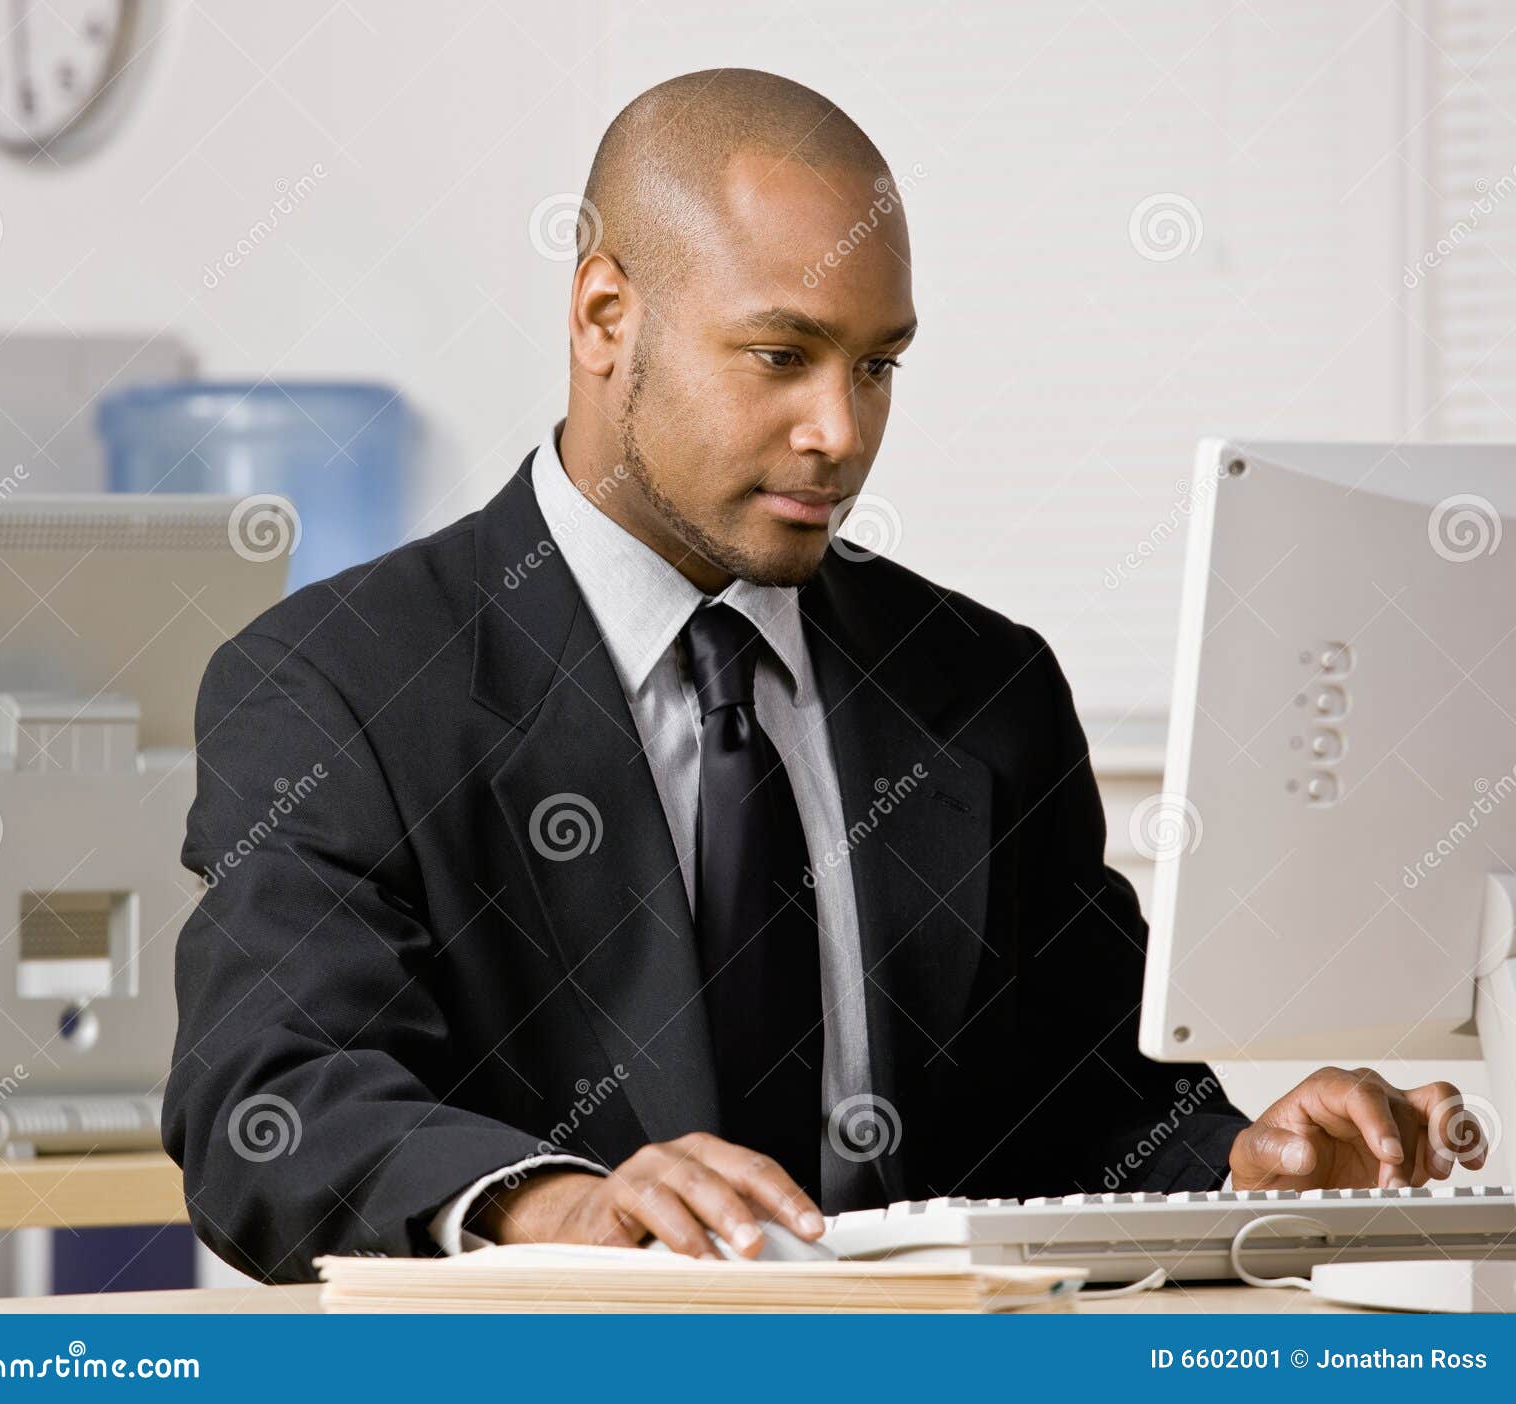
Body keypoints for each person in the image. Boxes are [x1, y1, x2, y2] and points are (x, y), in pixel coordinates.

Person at [161, 68, 1485, 1284]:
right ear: (605, 314)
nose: (840, 434)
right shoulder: (340, 682)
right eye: (781, 357)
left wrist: (1247, 1170)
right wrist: (555, 1204)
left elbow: (1096, 1112)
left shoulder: (981, 685)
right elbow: (266, 1103)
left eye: (877, 365)